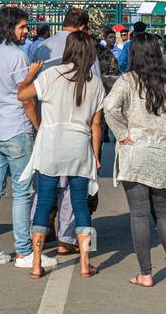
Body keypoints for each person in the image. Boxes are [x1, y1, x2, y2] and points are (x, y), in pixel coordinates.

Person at [102, 33, 166, 287]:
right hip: (163, 149)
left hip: (136, 147)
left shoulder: (128, 80)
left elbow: (109, 107)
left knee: (139, 214)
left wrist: (121, 133)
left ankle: (146, 272)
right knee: (163, 212)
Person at [17, 30, 104, 279]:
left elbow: (22, 96)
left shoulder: (51, 75)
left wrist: (30, 75)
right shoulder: (94, 82)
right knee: (80, 203)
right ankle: (85, 263)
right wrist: (96, 155)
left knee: (44, 201)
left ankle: (36, 262)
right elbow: (96, 125)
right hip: (79, 145)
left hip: (51, 143)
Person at [28, 6, 99, 254]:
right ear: (82, 28)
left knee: (44, 190)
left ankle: (37, 238)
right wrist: (96, 149)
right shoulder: (88, 52)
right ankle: (66, 238)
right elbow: (95, 96)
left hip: (48, 125)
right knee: (74, 192)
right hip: (77, 129)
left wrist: (38, 124)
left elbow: (27, 95)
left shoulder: (42, 47)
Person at [0, 7, 42, 268]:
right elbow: (24, 96)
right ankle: (24, 251)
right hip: (16, 127)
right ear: (10, 27)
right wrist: (39, 127)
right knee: (22, 192)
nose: (26, 31)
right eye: (22, 27)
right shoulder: (17, 55)